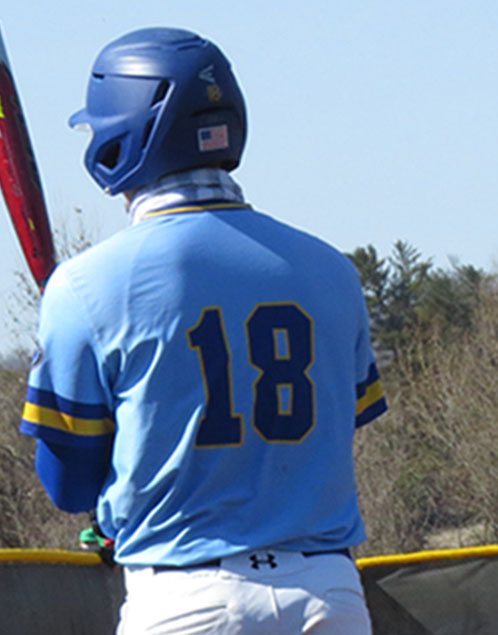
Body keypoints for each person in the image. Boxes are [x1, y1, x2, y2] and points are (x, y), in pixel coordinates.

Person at [20, 27, 387, 634]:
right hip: (329, 597)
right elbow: (330, 434)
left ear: (122, 133)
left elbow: (67, 481)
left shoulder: (87, 286)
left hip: (188, 599)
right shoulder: (332, 269)